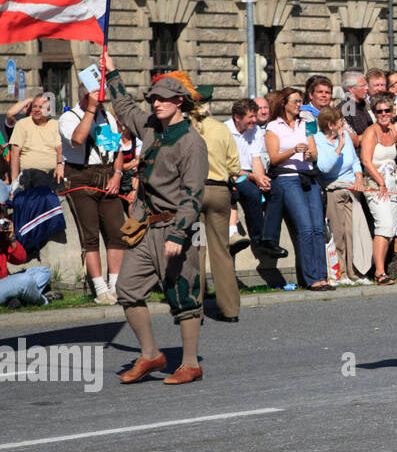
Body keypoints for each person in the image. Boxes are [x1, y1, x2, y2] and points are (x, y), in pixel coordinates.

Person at [104, 58, 209, 385]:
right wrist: (111, 71)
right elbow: (123, 107)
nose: (156, 103)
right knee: (127, 290)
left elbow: (193, 194)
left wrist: (178, 235)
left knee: (184, 296)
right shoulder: (149, 125)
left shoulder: (192, 143)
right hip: (143, 227)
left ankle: (190, 363)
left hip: (176, 228)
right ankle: (151, 355)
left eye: (163, 98)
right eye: (153, 99)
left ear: (180, 102)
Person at [59, 85, 126, 305]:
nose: (100, 100)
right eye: (95, 97)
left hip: (107, 175)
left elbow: (116, 150)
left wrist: (117, 174)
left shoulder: (108, 117)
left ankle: (116, 286)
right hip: (81, 177)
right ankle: (100, 288)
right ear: (84, 97)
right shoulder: (68, 118)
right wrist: (90, 111)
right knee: (90, 235)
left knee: (118, 232)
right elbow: (78, 139)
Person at [265, 88, 331, 291]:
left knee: (318, 227)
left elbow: (314, 151)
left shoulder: (307, 123)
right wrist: (293, 150)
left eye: (300, 101)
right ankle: (310, 278)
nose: (298, 105)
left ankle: (323, 276)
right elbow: (274, 158)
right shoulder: (273, 126)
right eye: (295, 101)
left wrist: (310, 155)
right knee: (305, 227)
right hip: (288, 178)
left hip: (308, 176)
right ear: (283, 103)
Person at [191, 85, 244, 322]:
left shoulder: (185, 129)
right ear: (209, 104)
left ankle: (195, 308)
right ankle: (230, 310)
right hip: (220, 193)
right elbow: (234, 166)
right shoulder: (221, 129)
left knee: (196, 250)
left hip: (193, 194)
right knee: (221, 251)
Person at [314, 106, 367, 284]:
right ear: (331, 125)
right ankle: (340, 273)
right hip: (332, 190)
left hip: (351, 190)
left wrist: (358, 177)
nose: (344, 126)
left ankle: (354, 272)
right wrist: (340, 147)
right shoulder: (318, 141)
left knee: (352, 232)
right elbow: (324, 167)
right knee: (338, 234)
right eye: (341, 123)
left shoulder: (346, 139)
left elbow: (355, 162)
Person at [359, 92, 397, 285]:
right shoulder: (371, 132)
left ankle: (381, 269)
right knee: (383, 225)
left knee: (391, 228)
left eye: (387, 110)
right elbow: (366, 160)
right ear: (374, 113)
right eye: (379, 111)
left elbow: (396, 156)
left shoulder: (394, 131)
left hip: (392, 182)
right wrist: (381, 181)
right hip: (375, 184)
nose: (384, 114)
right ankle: (378, 272)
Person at [226, 98, 278, 256]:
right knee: (252, 193)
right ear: (237, 117)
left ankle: (270, 239)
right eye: (250, 117)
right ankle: (258, 238)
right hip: (234, 174)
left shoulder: (255, 130)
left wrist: (261, 179)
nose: (254, 120)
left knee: (277, 191)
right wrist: (254, 177)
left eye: (255, 116)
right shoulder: (225, 130)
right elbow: (228, 166)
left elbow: (256, 159)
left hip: (251, 172)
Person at [0, 211, 61, 307]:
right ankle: (44, 300)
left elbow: (21, 259)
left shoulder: (3, 239)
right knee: (25, 280)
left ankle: (18, 300)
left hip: (5, 282)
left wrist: (12, 238)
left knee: (44, 272)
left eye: (3, 222)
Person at [8, 93, 62, 191]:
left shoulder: (56, 125)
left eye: (41, 107)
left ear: (49, 110)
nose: (37, 109)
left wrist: (60, 165)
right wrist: (14, 181)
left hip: (52, 175)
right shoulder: (22, 124)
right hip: (29, 177)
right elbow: (15, 153)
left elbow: (60, 149)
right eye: (34, 106)